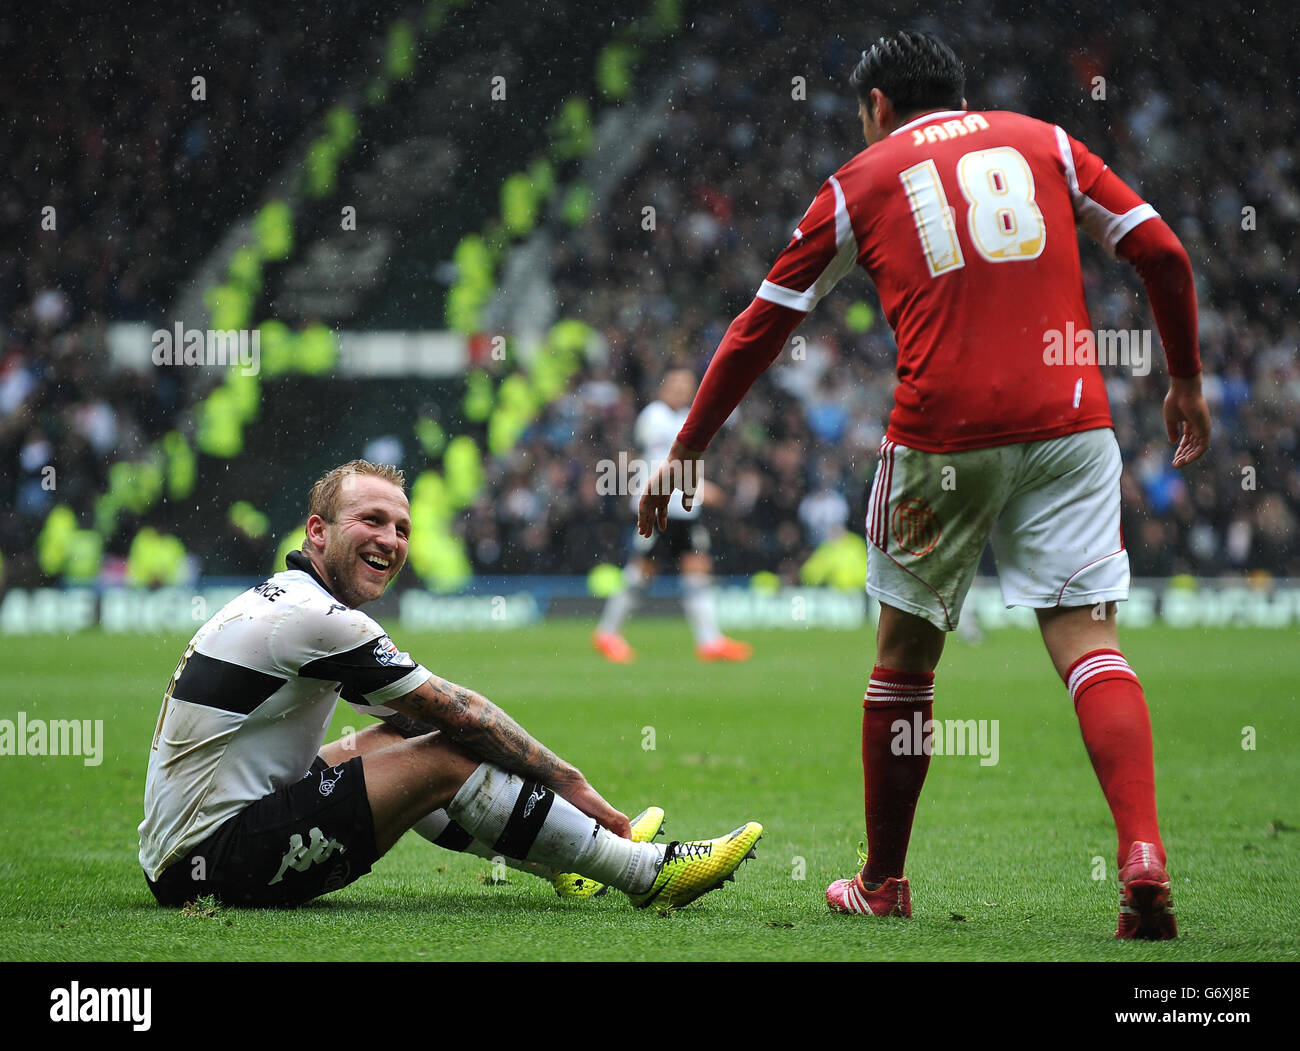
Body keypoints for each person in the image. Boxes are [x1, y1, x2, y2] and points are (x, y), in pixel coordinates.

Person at [637, 31, 1210, 940]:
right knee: (1087, 641)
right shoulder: (1047, 143)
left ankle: (884, 880)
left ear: (877, 107)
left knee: (905, 660)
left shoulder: (861, 182)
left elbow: (759, 328)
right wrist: (1182, 379)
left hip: (942, 435)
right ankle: (1141, 852)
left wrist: (686, 450)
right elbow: (1165, 254)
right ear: (959, 93)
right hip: (1073, 421)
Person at [139, 459, 760, 909]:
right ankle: (644, 872)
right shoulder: (314, 619)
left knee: (387, 742)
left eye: (402, 528)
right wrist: (573, 785)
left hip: (183, 853)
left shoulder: (291, 600)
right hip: (206, 867)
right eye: (370, 520)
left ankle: (563, 860)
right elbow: (462, 713)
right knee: (442, 754)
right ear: (318, 531)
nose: (390, 540)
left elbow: (413, 719)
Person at [593, 368, 752, 663]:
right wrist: (703, 488)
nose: (682, 390)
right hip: (660, 508)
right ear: (663, 387)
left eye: (687, 386)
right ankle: (607, 633)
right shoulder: (655, 417)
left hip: (685, 511)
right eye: (676, 385)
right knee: (641, 576)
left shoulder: (684, 418)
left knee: (698, 572)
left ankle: (710, 641)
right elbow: (661, 463)